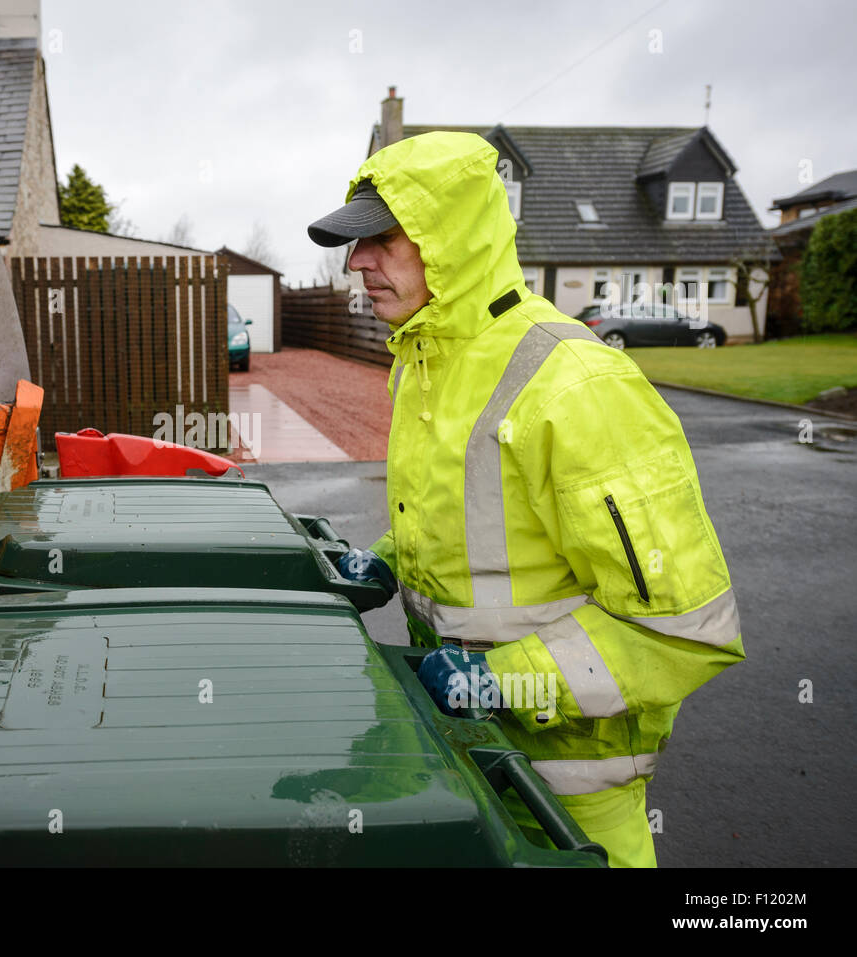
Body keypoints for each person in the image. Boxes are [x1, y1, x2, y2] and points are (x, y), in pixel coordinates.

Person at [310, 131, 745, 867]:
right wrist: (385, 561)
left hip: (574, 804)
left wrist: (498, 679)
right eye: (356, 243)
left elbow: (685, 632)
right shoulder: (425, 366)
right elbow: (482, 529)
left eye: (382, 238)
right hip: (476, 764)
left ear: (452, 239)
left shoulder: (576, 385)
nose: (358, 262)